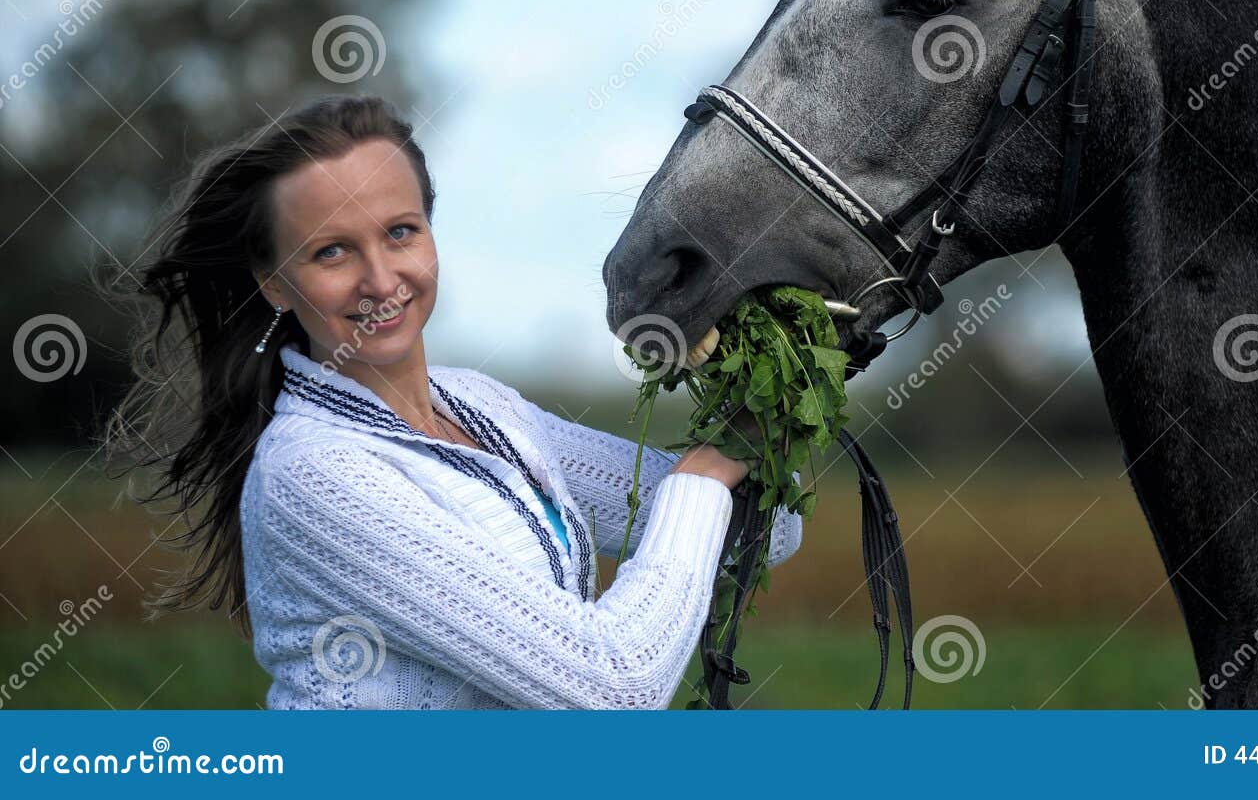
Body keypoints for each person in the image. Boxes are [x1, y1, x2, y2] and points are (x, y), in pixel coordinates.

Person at [103, 93, 799, 708]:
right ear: (275, 283)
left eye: (400, 232)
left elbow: (766, 530)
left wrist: (760, 364)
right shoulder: (309, 471)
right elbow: (616, 687)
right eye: (332, 251)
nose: (382, 280)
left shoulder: (481, 405)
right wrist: (706, 473)